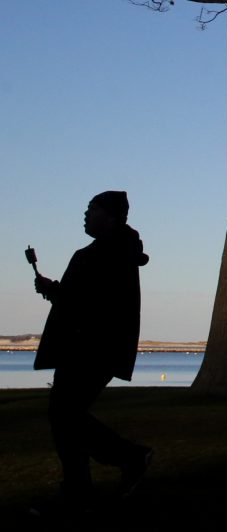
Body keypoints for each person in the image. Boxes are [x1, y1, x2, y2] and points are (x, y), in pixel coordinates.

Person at [31, 190, 152, 510]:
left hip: (89, 349)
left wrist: (56, 291)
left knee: (64, 414)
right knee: (66, 416)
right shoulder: (109, 252)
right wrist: (56, 291)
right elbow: (84, 300)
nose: (86, 215)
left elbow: (92, 304)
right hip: (89, 347)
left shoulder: (107, 254)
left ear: (110, 216)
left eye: (92, 209)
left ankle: (127, 458)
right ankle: (79, 487)